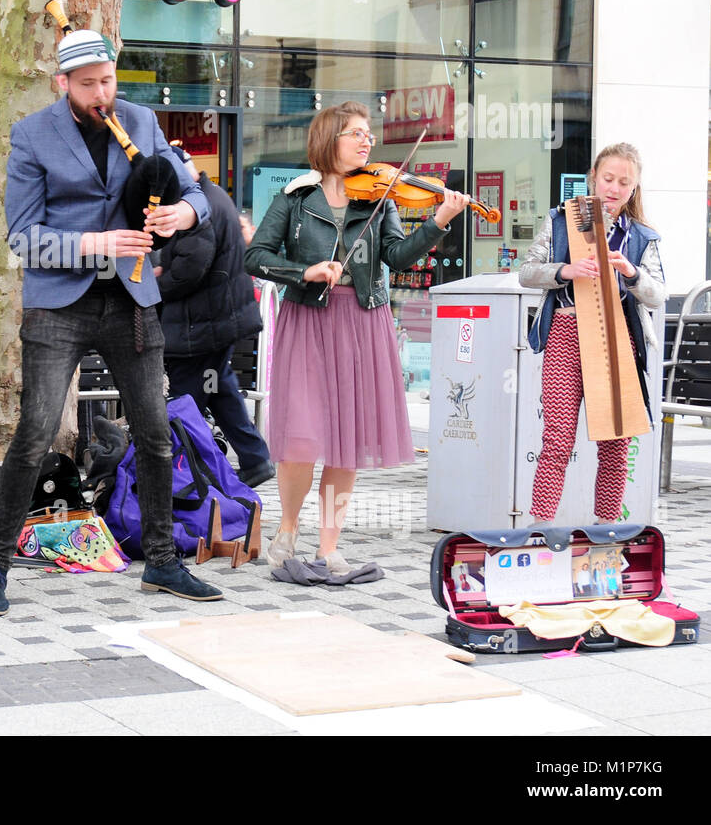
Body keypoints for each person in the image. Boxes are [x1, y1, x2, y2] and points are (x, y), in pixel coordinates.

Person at [0, 27, 222, 616]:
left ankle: (161, 562)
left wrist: (180, 215)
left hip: (132, 300)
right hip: (60, 303)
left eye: (108, 80)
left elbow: (198, 195)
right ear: (63, 84)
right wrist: (97, 242)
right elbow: (24, 240)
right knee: (33, 435)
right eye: (89, 85)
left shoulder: (140, 119)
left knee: (156, 434)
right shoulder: (32, 133)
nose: (102, 93)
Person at [243, 101, 466, 576]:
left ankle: (329, 545)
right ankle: (287, 528)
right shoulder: (296, 196)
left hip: (362, 318)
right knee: (301, 435)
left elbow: (398, 256)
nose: (367, 141)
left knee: (346, 439)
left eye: (368, 134)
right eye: (356, 133)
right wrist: (304, 270)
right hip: (308, 318)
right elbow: (256, 257)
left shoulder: (378, 197)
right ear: (330, 139)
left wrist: (438, 221)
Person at [519, 142, 664, 524]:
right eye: (608, 179)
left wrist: (631, 272)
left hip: (617, 340)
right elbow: (527, 272)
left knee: (616, 443)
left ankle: (606, 530)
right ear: (593, 179)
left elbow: (658, 294)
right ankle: (541, 528)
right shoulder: (561, 219)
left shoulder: (640, 236)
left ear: (633, 190)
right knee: (557, 437)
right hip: (566, 332)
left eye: (624, 183)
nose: (614, 189)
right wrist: (565, 270)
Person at [154, 146, 273, 487]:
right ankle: (255, 460)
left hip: (201, 326)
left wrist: (156, 283)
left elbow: (190, 268)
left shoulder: (197, 207)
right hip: (215, 321)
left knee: (184, 401)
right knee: (219, 388)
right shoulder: (213, 195)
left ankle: (190, 471)